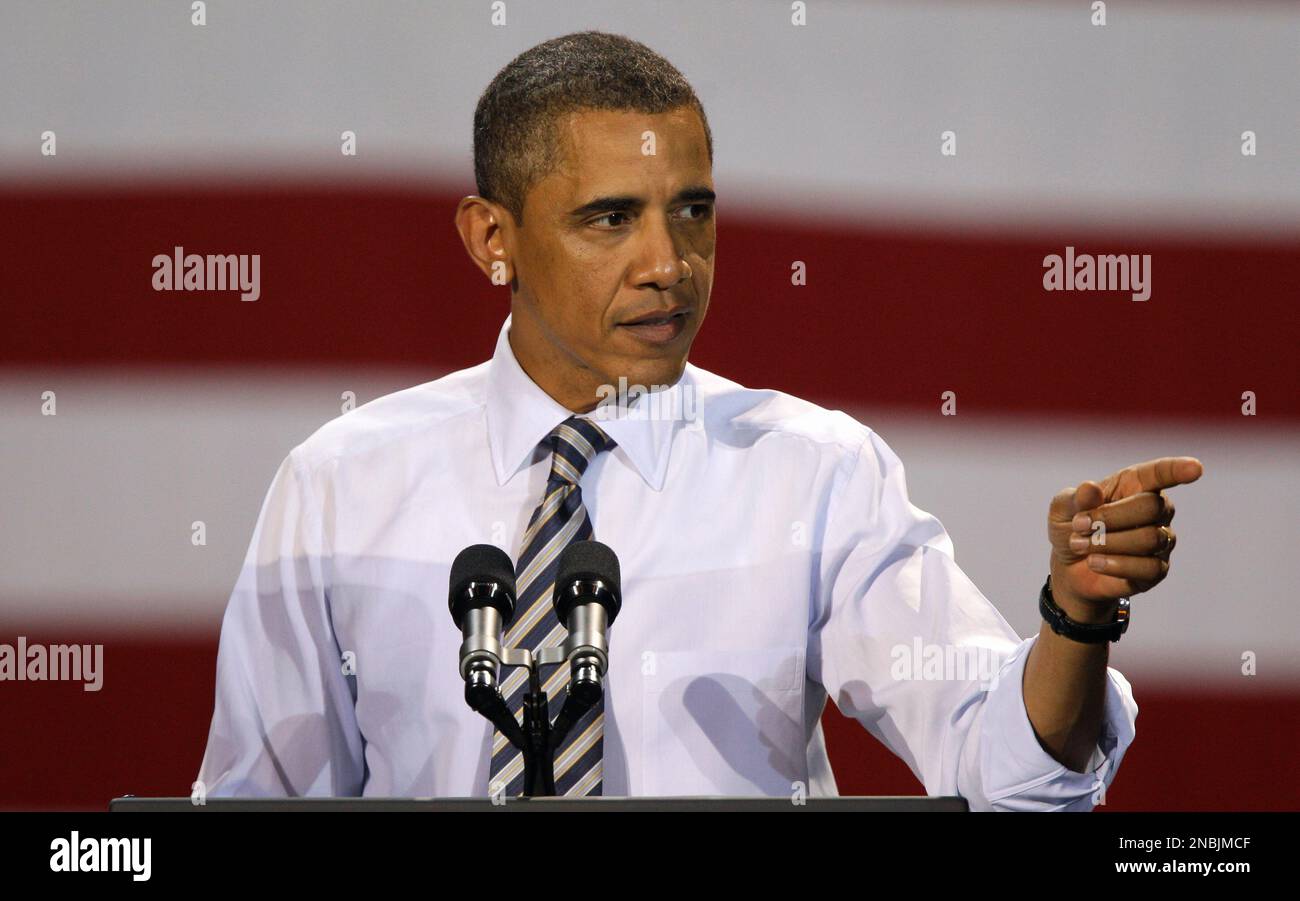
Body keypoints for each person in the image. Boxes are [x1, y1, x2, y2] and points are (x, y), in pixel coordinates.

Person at [196, 30, 1202, 809]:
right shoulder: (338, 485)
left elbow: (1013, 777)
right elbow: (259, 804)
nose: (668, 262)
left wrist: (1076, 617)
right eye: (610, 217)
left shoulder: (813, 474)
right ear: (490, 237)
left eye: (692, 209)